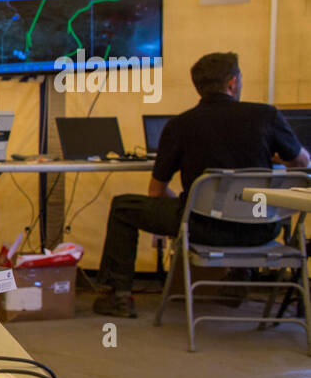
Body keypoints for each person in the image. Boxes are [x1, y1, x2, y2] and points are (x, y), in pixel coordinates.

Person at [93, 51, 309, 317]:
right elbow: (302, 164)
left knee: (124, 207)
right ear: (232, 83)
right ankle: (239, 277)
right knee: (266, 206)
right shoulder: (267, 115)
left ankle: (117, 298)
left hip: (202, 229)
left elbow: (155, 192)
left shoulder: (179, 125)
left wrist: (190, 207)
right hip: (263, 229)